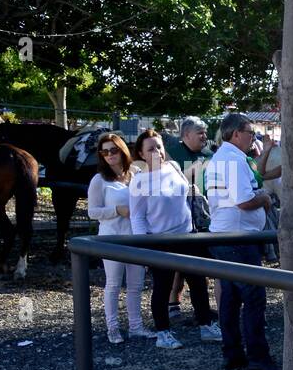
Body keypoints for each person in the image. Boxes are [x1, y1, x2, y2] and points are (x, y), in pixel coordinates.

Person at [130, 129, 220, 349]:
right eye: (151, 148)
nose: (157, 152)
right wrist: (144, 247)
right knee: (162, 287)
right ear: (141, 154)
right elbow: (137, 217)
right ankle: (163, 332)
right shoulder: (140, 181)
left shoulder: (173, 167)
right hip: (160, 240)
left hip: (187, 235)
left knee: (198, 282)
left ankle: (206, 325)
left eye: (159, 146)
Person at [204, 112, 279, 370]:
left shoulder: (223, 157)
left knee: (231, 299)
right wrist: (265, 197)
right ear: (236, 133)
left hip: (227, 235)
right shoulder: (233, 160)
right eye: (250, 132)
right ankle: (258, 357)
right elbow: (244, 201)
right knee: (253, 297)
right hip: (237, 238)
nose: (253, 137)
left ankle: (233, 353)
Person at [86, 133, 153, 345]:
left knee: (136, 284)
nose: (109, 155)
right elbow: (92, 212)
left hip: (136, 236)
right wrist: (116, 210)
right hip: (112, 238)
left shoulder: (136, 173)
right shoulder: (99, 180)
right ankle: (112, 327)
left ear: (122, 150)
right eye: (104, 152)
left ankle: (136, 326)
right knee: (113, 284)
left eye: (113, 150)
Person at [166, 117, 215, 322]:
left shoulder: (209, 154)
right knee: (177, 264)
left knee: (199, 265)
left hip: (202, 215)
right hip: (179, 215)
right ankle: (172, 303)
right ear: (186, 135)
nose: (204, 136)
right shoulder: (171, 154)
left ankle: (201, 309)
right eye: (200, 132)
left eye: (205, 132)